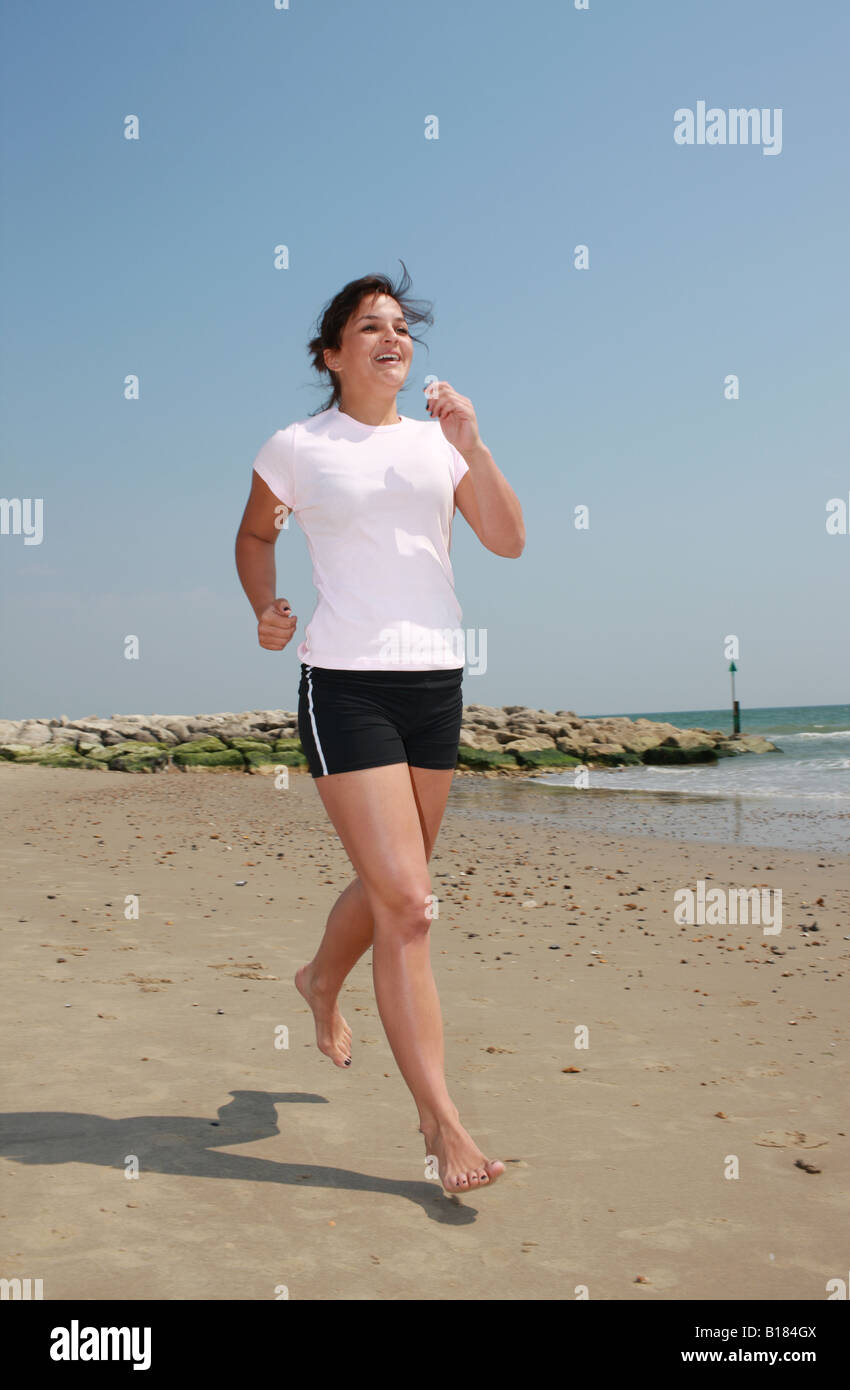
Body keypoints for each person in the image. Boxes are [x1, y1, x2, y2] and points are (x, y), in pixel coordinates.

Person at [235, 263, 525, 1193]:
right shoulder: (298, 447)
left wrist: (474, 446)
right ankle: (442, 1126)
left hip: (435, 684)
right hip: (345, 686)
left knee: (396, 888)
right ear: (331, 354)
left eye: (400, 326)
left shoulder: (440, 445)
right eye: (369, 325)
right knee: (408, 905)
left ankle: (321, 979)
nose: (391, 337)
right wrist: (265, 606)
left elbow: (508, 539)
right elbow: (256, 534)